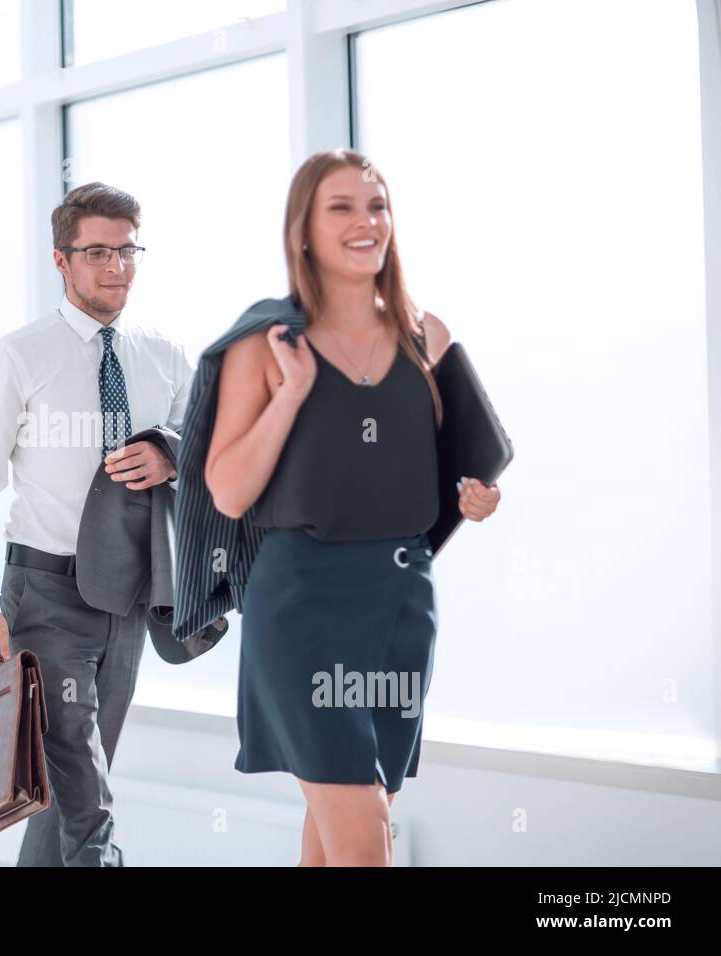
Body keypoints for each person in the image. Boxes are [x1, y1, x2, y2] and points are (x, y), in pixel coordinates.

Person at [203, 148, 500, 866]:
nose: (366, 221)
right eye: (341, 207)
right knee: (364, 828)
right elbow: (228, 490)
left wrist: (479, 497)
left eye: (377, 205)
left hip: (402, 598)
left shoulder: (426, 334)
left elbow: (453, 462)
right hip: (301, 602)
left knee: (347, 822)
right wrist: (295, 392)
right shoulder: (266, 342)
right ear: (303, 228)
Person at [0, 182, 193, 866]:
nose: (116, 266)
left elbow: (205, 446)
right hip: (45, 595)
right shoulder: (19, 355)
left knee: (65, 790)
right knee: (89, 803)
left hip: (129, 597)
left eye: (127, 251)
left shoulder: (166, 353)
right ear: (61, 261)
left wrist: (169, 454)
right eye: (97, 252)